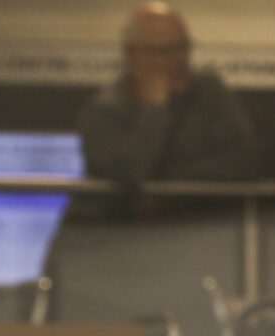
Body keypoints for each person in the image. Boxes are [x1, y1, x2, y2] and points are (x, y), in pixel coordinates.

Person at [78, 3, 258, 194]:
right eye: (163, 51)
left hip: (206, 216)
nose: (178, 60)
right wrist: (154, 109)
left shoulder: (208, 90)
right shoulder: (106, 108)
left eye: (182, 47)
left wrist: (167, 184)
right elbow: (130, 172)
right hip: (125, 223)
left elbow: (246, 162)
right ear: (132, 54)